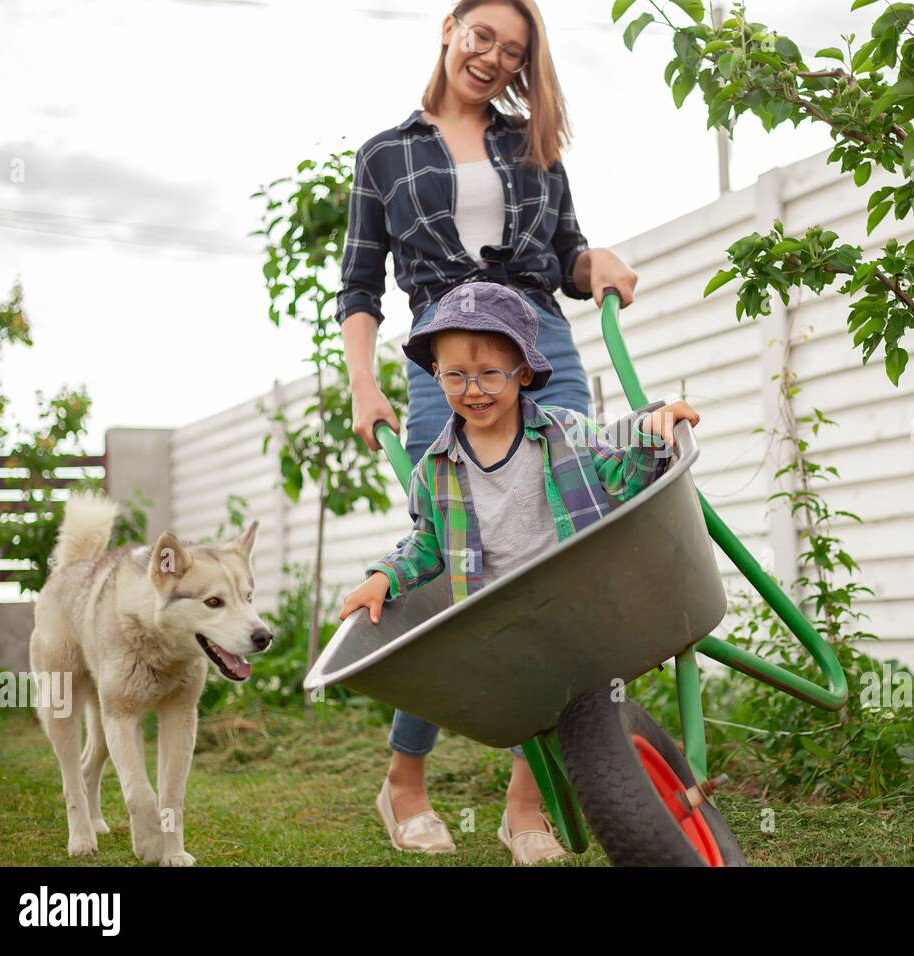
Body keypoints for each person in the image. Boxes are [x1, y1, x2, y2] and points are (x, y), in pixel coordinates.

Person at [336, 1, 643, 860]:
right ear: (448, 29)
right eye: (483, 38)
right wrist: (365, 383)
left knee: (557, 561)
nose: (494, 59)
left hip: (541, 349)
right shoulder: (385, 155)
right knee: (456, 562)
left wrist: (600, 263)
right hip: (448, 367)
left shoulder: (532, 143)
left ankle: (526, 802)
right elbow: (360, 288)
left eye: (513, 52)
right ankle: (403, 781)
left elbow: (571, 254)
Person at [339, 282, 701, 863]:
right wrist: (385, 576)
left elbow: (619, 473)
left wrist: (657, 425)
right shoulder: (434, 469)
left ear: (523, 374)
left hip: (571, 595)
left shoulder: (564, 432)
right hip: (497, 611)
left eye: (489, 374)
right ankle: (523, 816)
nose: (472, 390)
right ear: (436, 374)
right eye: (454, 376)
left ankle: (524, 812)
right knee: (527, 701)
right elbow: (426, 545)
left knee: (563, 696)